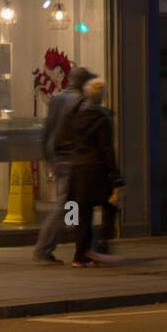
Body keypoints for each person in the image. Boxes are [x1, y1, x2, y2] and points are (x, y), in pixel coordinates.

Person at [33, 66, 94, 263]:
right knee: (66, 204)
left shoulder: (58, 98)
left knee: (72, 203)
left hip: (58, 157)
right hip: (71, 158)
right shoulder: (79, 101)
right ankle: (43, 249)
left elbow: (48, 129)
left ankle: (78, 241)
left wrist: (48, 158)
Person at [67, 78, 123, 267]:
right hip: (95, 171)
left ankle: (80, 256)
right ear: (102, 96)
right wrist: (116, 176)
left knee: (82, 214)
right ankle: (101, 245)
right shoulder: (102, 118)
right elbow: (106, 149)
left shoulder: (75, 116)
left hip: (77, 170)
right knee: (110, 205)